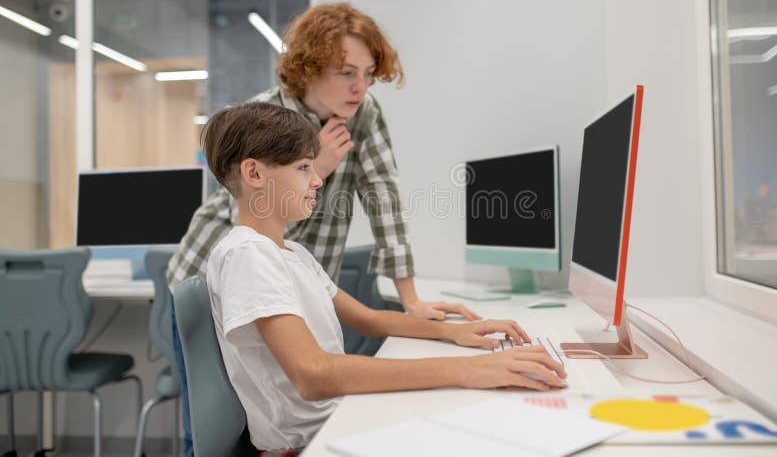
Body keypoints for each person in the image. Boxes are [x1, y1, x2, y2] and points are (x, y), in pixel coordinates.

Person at [167, 2, 480, 455]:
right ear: (308, 69)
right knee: (214, 422)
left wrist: (412, 301)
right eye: (346, 72)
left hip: (283, 256)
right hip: (227, 259)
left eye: (369, 73)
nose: (361, 87)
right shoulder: (264, 117)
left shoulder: (363, 115)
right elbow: (248, 209)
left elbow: (383, 198)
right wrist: (324, 164)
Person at [202, 102, 567, 453]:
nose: (317, 181)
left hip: (337, 419)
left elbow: (370, 320)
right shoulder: (247, 255)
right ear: (254, 174)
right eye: (302, 168)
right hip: (309, 443)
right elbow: (314, 375)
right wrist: (469, 369)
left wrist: (452, 331)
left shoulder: (291, 253)